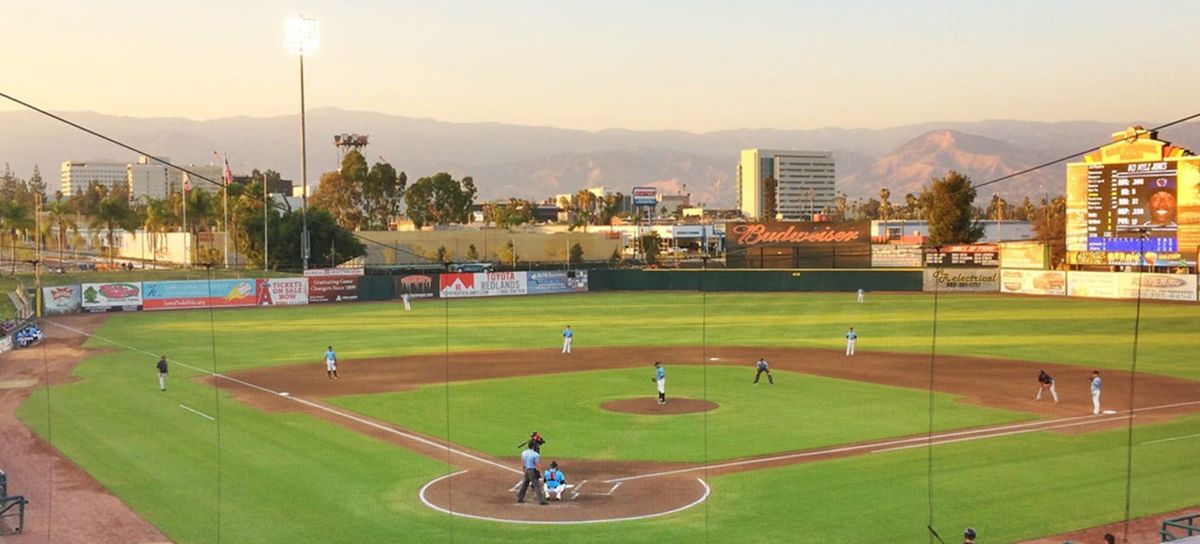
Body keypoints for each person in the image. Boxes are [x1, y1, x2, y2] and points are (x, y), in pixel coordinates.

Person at [516, 441, 548, 505]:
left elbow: (522, 462)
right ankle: (541, 501)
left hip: (526, 470)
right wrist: (540, 472)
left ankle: (519, 498)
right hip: (532, 471)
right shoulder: (535, 454)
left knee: (524, 485)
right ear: (533, 446)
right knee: (536, 486)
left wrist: (523, 470)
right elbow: (537, 464)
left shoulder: (524, 453)